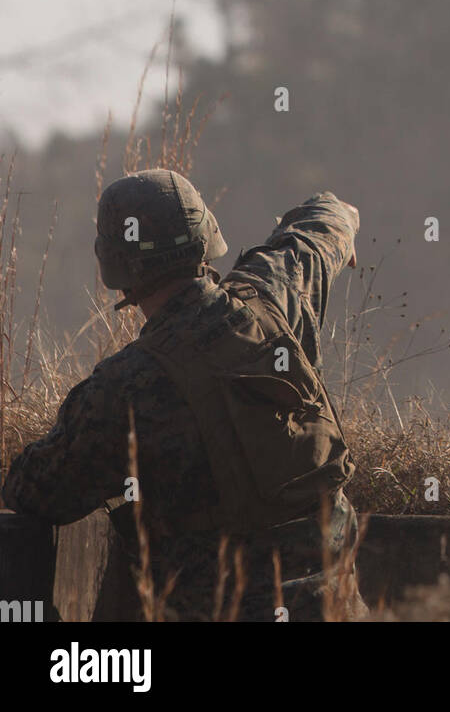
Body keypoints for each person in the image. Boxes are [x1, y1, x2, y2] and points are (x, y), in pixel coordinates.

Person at [2, 170, 365, 622]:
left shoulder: (120, 390)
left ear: (117, 269)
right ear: (206, 237)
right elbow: (320, 231)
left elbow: (33, 491)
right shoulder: (274, 297)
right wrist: (341, 219)